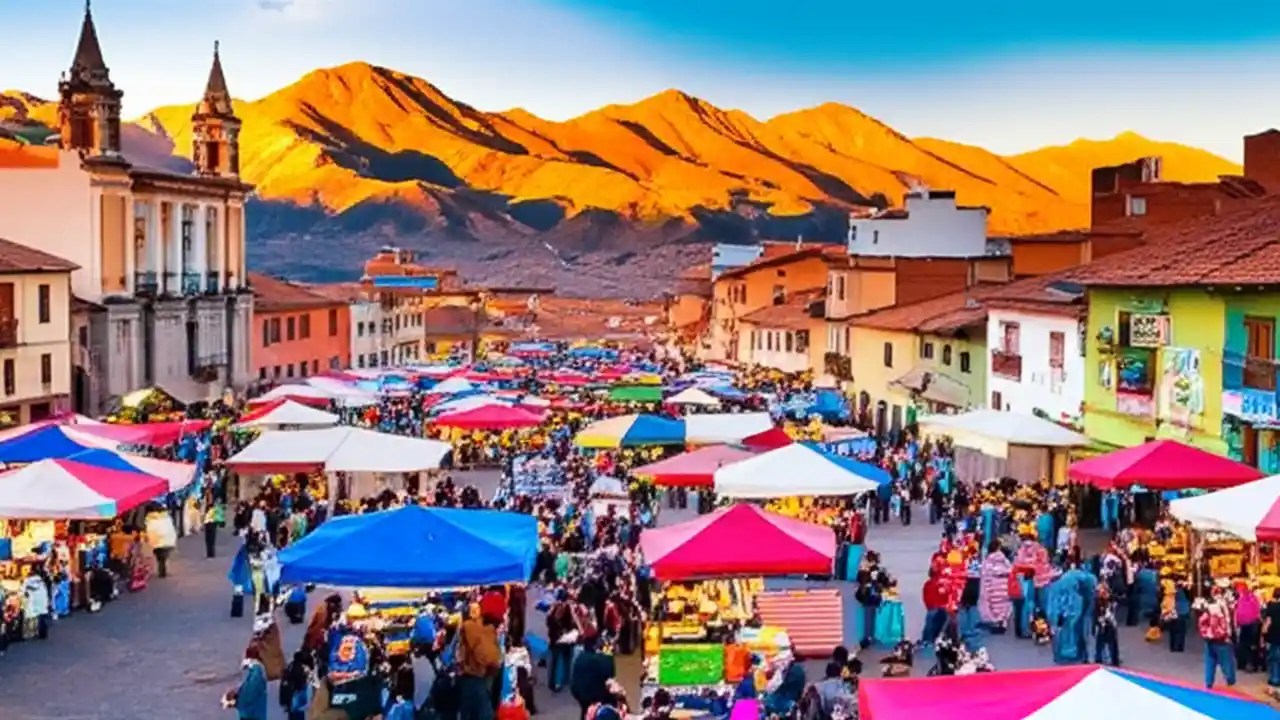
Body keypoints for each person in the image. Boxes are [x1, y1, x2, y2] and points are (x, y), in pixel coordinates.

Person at [458, 600, 502, 720]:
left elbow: (465, 651)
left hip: (474, 672)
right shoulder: (489, 628)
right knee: (484, 704)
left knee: (473, 708)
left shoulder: (468, 627)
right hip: (489, 670)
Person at [1197, 582, 1238, 689]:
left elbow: (1202, 619)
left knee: (1210, 661)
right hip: (1222, 638)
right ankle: (1230, 681)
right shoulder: (1224, 604)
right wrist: (1229, 635)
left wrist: (1205, 632)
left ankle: (1209, 682)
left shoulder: (1207, 604)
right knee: (1227, 661)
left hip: (1209, 637)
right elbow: (1228, 621)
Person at [570, 635, 616, 720]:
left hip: (581, 694)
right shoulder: (602, 659)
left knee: (585, 712)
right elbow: (611, 673)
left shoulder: (580, 657)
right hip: (596, 696)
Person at [228, 645, 268, 720]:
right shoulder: (254, 671)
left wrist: (237, 701)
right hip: (254, 713)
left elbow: (249, 694)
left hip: (251, 715)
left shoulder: (256, 672)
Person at [145, 507, 178, 579]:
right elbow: (171, 528)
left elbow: (149, 529)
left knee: (159, 554)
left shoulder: (150, 518)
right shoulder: (166, 517)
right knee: (164, 554)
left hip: (156, 540)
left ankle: (161, 565)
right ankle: (163, 564)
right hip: (166, 540)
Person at [1262, 588, 1280, 688]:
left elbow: (1268, 622)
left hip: (1274, 636)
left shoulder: (1271, 607)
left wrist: (1263, 634)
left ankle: (1275, 678)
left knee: (1274, 658)